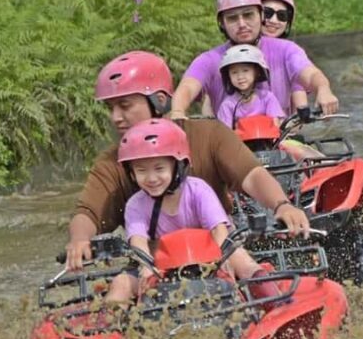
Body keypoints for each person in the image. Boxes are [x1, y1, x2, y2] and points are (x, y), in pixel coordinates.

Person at [66, 51, 312, 280]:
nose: (115, 117)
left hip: (219, 251)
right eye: (111, 108)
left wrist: (282, 205)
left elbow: (252, 174)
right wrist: (79, 240)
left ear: (160, 100)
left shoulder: (209, 134)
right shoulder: (111, 163)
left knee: (247, 266)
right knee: (120, 284)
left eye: (125, 105)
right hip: (153, 266)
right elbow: (88, 212)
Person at [112, 119, 278, 301]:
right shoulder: (135, 204)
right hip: (162, 264)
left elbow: (219, 230)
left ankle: (275, 302)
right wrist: (146, 267)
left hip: (213, 254)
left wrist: (222, 261)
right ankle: (110, 326)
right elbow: (138, 242)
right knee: (121, 284)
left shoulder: (198, 189)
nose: (151, 178)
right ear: (132, 173)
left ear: (178, 165)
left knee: (243, 261)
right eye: (141, 171)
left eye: (159, 168)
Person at [169, 0, 339, 120]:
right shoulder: (208, 59)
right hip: (230, 145)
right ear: (222, 24)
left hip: (280, 141)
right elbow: (188, 87)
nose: (242, 24)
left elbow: (310, 74)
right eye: (232, 18)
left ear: (260, 16)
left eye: (248, 15)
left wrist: (323, 88)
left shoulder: (287, 50)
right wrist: (177, 111)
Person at [258, 0, 310, 113]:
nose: (274, 21)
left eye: (282, 16)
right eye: (267, 13)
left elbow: (300, 99)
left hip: (280, 128)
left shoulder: (291, 54)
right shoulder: (233, 51)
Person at [216, 44, 284, 129]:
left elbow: (277, 124)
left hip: (268, 141)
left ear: (257, 72)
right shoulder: (227, 105)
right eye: (234, 72)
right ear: (228, 76)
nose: (240, 77)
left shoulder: (267, 98)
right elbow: (225, 134)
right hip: (239, 142)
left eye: (245, 70)